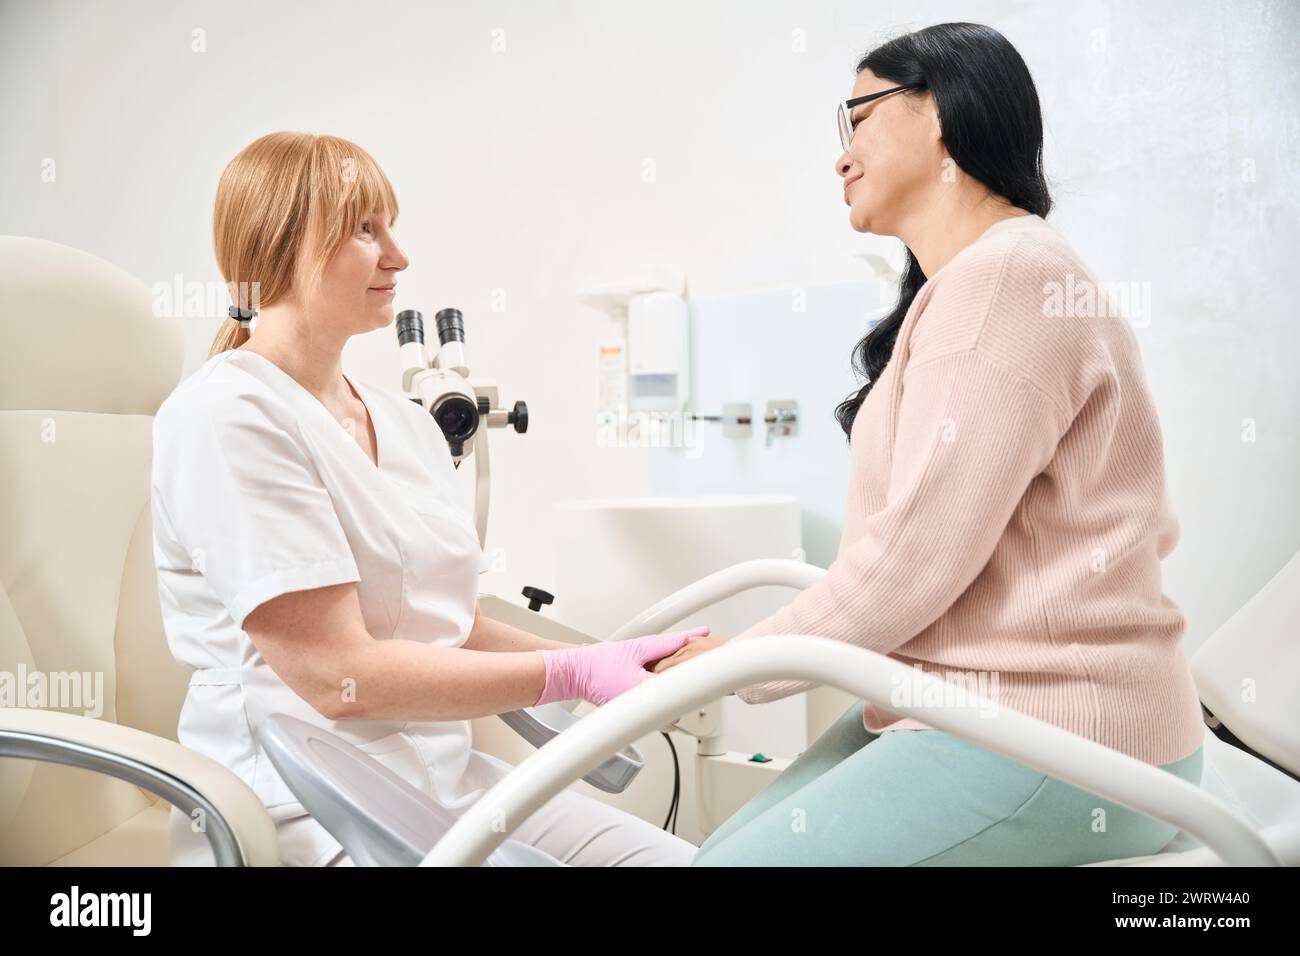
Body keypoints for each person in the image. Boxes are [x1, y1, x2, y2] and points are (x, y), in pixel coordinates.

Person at [654, 22, 1206, 866]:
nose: (840, 159)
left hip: (1066, 735)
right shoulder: (973, 285)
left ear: (939, 113)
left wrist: (737, 667)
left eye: (859, 120)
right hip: (970, 708)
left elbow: (912, 560)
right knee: (713, 854)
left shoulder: (1004, 281)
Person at [151, 131, 702, 866]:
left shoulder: (402, 422)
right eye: (364, 229)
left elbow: (452, 626)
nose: (398, 256)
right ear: (279, 244)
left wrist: (604, 661)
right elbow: (335, 677)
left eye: (391, 227)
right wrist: (566, 677)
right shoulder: (227, 417)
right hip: (302, 803)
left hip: (440, 781)